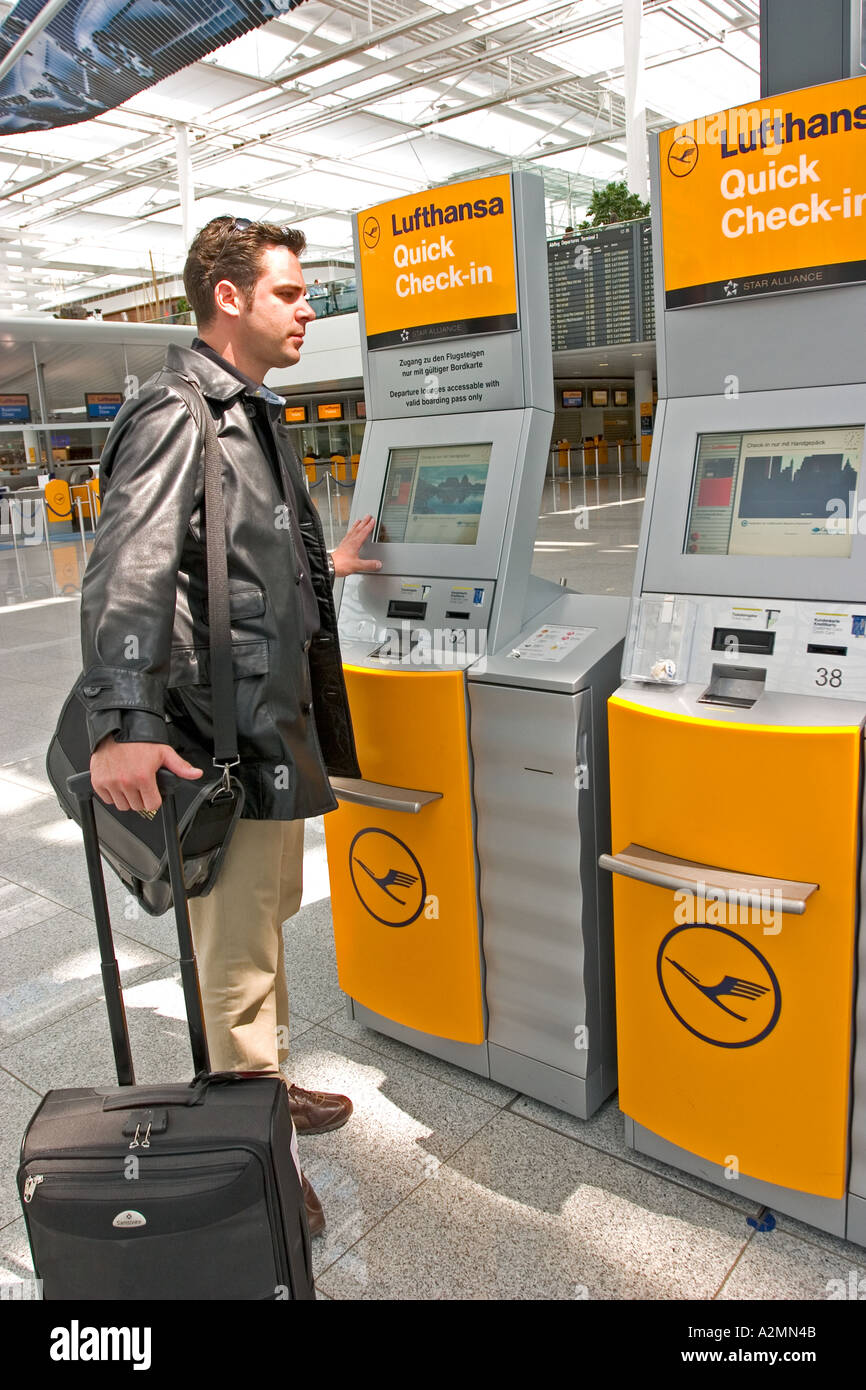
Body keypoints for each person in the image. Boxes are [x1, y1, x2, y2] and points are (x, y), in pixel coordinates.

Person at [79, 216, 381, 1235]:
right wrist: (121, 722)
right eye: (292, 293)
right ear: (228, 297)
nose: (309, 310)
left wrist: (320, 568)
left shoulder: (247, 410)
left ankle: (264, 1084)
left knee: (259, 923)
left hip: (265, 721)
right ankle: (251, 1145)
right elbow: (129, 566)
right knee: (235, 950)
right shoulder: (177, 410)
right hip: (220, 734)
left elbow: (231, 559)